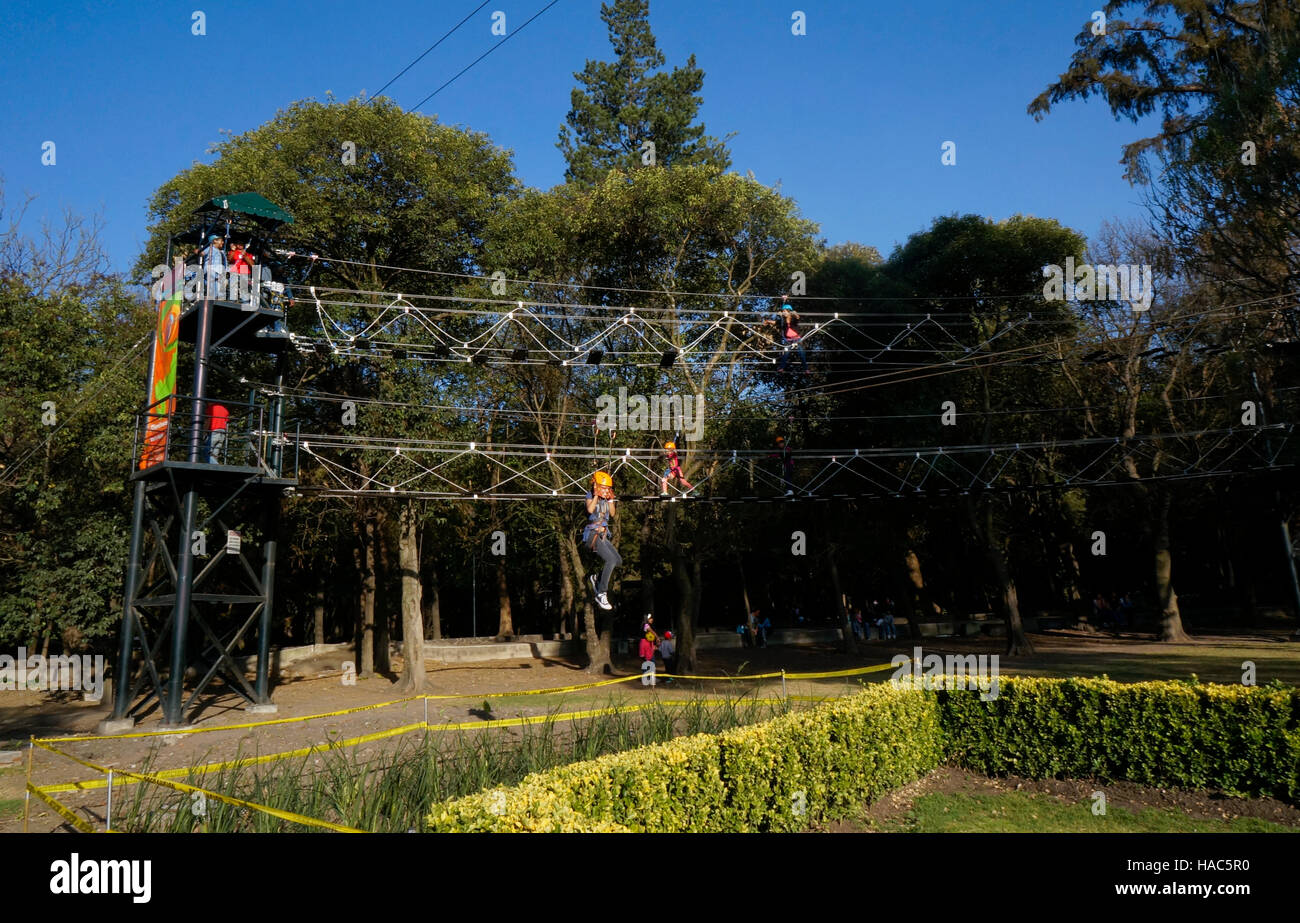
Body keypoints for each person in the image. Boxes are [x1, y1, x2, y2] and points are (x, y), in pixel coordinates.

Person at [583, 471, 621, 611]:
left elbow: (612, 513)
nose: (606, 491)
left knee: (618, 561)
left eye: (608, 489)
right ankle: (601, 593)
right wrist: (596, 496)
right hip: (593, 534)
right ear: (596, 486)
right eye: (604, 488)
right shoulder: (590, 496)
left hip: (603, 535)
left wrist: (611, 500)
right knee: (610, 560)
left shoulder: (607, 499)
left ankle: (596, 579)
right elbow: (590, 509)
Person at [775, 299, 808, 373]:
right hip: (788, 340)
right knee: (785, 354)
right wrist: (767, 321)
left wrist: (794, 313)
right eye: (783, 311)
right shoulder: (782, 321)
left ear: (789, 312)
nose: (783, 313)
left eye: (785, 311)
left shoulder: (793, 319)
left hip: (797, 339)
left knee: (801, 353)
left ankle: (806, 369)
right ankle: (781, 368)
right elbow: (775, 322)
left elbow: (797, 317)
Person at [200, 235, 227, 300]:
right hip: (211, 270)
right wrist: (199, 251)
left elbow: (224, 262)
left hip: (218, 273)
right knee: (212, 286)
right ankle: (213, 299)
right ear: (215, 241)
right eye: (221, 241)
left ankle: (217, 298)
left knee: (218, 287)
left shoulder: (222, 252)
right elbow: (202, 253)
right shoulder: (210, 248)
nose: (222, 242)